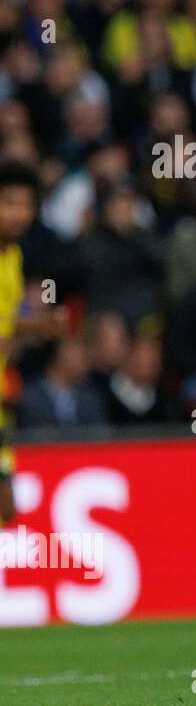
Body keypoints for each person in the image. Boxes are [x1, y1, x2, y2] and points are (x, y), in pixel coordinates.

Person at [0, 160, 69, 525]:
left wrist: (34, 326)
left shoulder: (13, 256)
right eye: (9, 203)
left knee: (6, 509)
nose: (20, 214)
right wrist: (35, 328)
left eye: (27, 205)